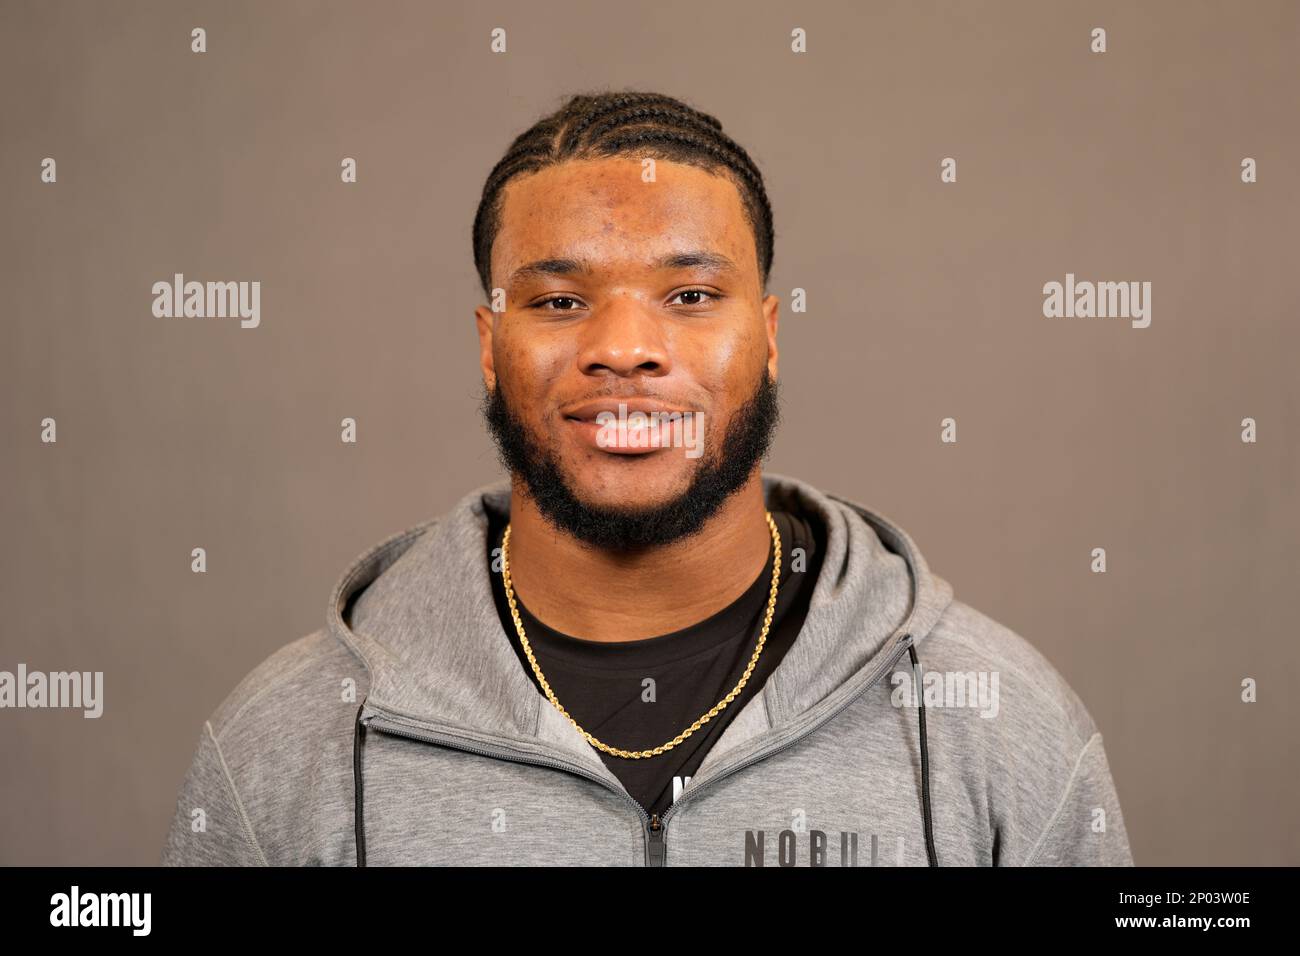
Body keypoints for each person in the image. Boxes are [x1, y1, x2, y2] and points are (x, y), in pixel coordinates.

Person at [162, 90, 1133, 866]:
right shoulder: (288, 743)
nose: (624, 346)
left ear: (768, 335)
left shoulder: (990, 718)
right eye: (559, 298)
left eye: (692, 295)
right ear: (490, 344)